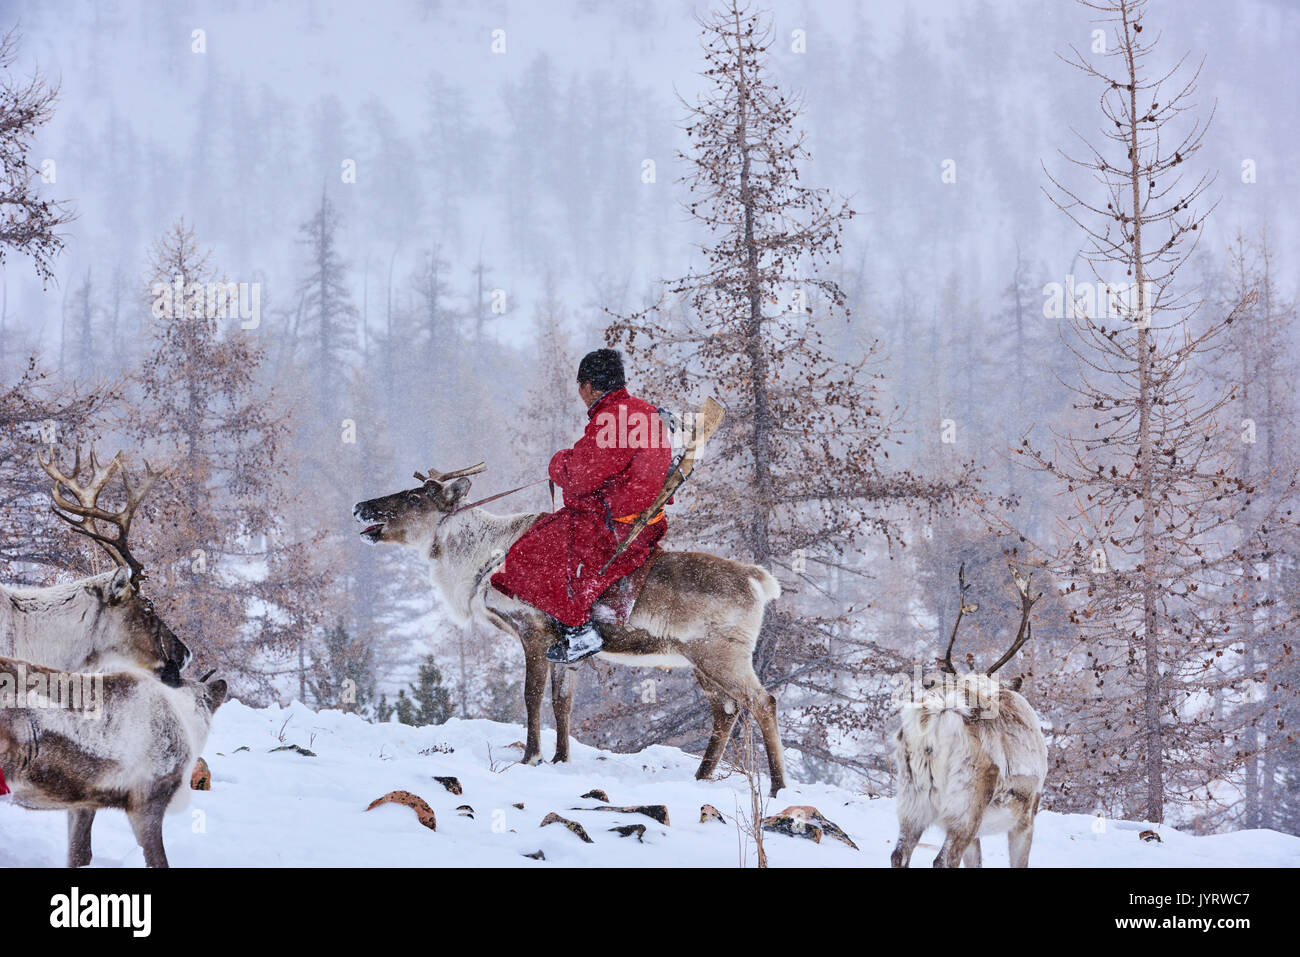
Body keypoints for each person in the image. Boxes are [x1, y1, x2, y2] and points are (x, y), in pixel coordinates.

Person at [490, 349, 671, 664]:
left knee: (526, 554)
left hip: (613, 528)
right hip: (645, 520)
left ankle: (579, 630)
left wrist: (557, 461)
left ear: (589, 385)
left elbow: (578, 476)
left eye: (579, 387)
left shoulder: (614, 419)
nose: (580, 394)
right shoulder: (644, 412)